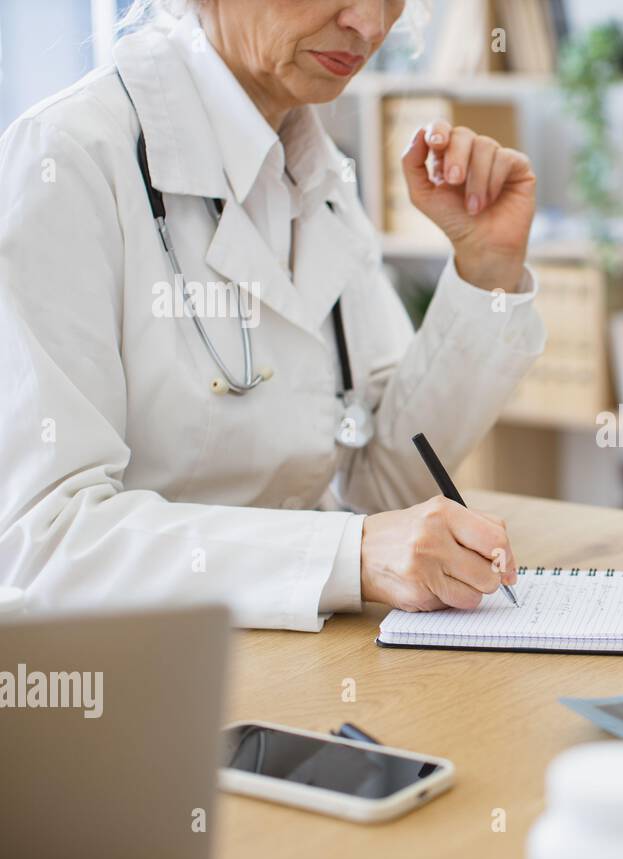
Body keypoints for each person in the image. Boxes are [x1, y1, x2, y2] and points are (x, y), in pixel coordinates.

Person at [0, 0, 546, 631]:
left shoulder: (320, 176)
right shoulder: (66, 159)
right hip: (138, 688)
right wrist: (350, 555)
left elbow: (381, 484)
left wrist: (486, 273)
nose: (370, 26)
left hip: (298, 663)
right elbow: (46, 541)